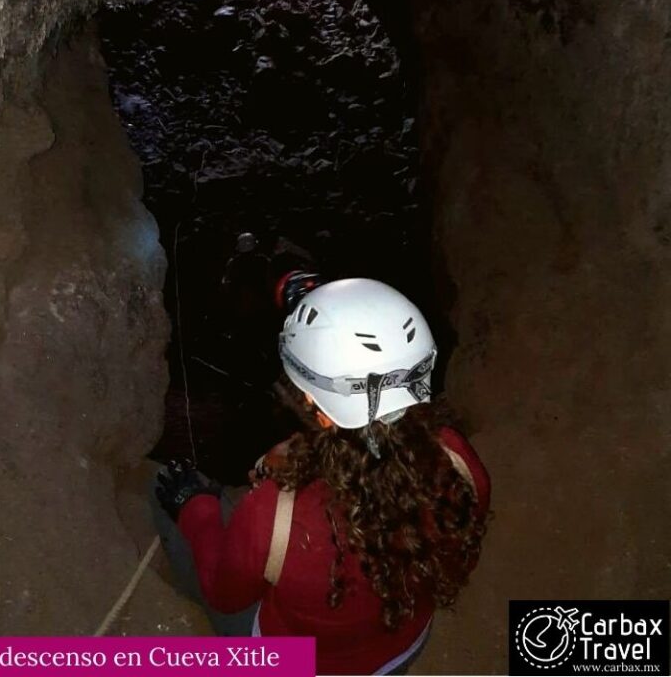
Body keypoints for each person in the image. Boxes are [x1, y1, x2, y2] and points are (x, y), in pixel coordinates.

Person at [154, 278, 490, 676]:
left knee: (170, 505)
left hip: (303, 665)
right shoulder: (458, 460)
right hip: (401, 650)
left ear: (317, 408)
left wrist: (197, 507)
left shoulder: (274, 514)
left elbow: (225, 595)